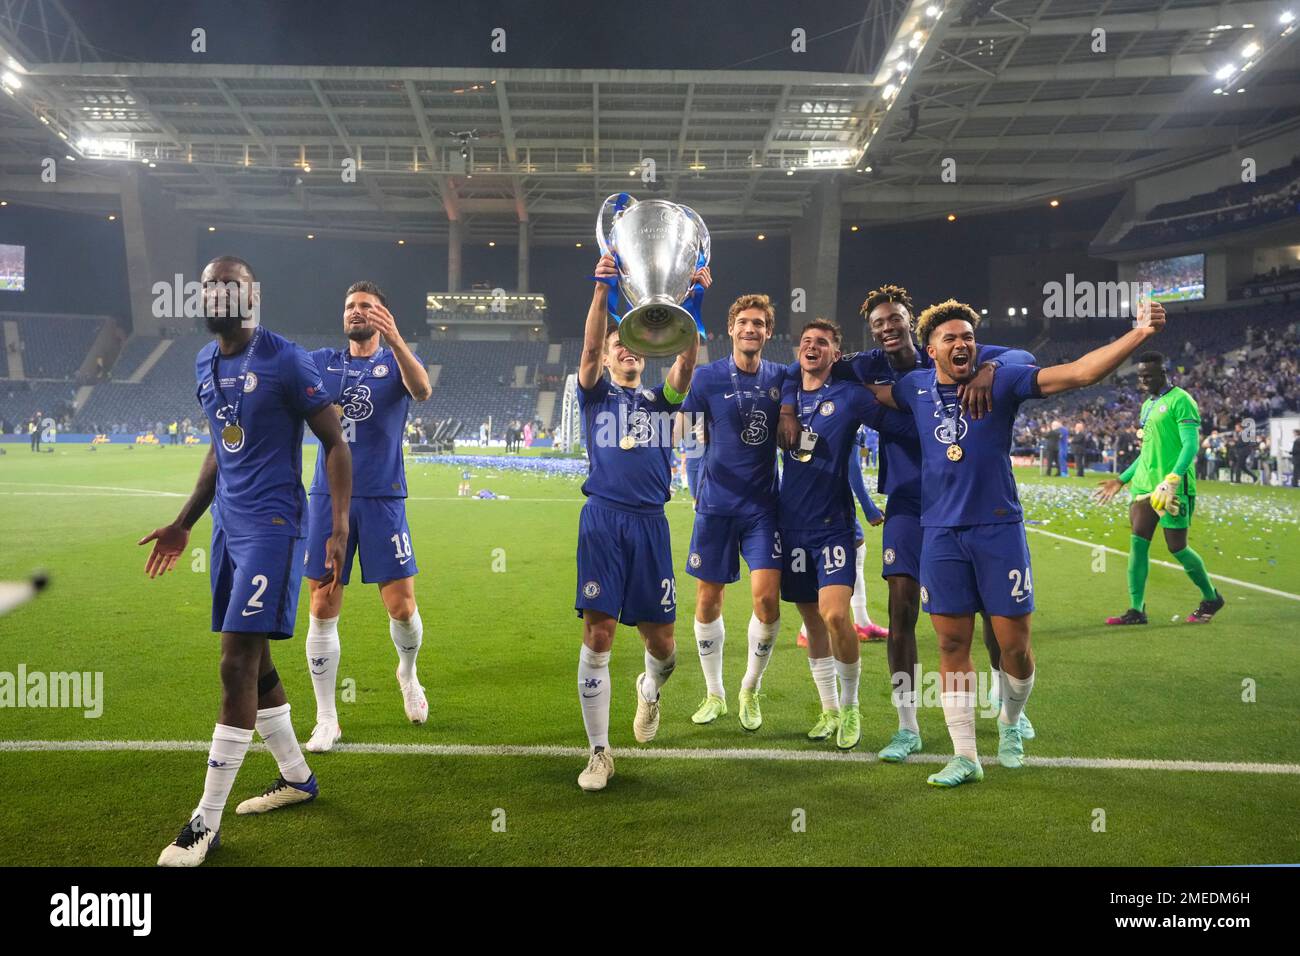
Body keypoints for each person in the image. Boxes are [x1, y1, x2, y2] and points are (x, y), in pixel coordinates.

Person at [870, 297, 1166, 787]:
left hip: (998, 529)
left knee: (1016, 647)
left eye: (968, 337)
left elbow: (1079, 373)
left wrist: (1139, 334)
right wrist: (798, 391)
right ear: (931, 350)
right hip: (939, 532)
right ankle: (965, 756)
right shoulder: (913, 387)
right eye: (950, 338)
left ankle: (1010, 719)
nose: (962, 344)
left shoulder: (1002, 380)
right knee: (950, 643)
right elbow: (863, 391)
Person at [140, 255, 352, 865]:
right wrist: (185, 522)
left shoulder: (287, 359)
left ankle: (204, 822)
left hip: (274, 528)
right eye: (208, 286)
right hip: (228, 531)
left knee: (235, 662)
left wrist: (338, 527)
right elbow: (219, 447)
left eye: (229, 285)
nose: (217, 294)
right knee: (256, 666)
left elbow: (335, 441)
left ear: (252, 295)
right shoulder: (204, 362)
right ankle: (297, 777)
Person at [778, 283, 1038, 763]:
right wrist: (789, 406)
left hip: (965, 503)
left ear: (910, 321)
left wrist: (990, 369)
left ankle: (1009, 708)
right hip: (906, 502)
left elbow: (1023, 356)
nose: (887, 328)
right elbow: (803, 366)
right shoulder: (865, 366)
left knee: (989, 612)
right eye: (878, 323)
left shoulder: (950, 350)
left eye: (894, 318)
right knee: (901, 610)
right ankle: (907, 725)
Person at [573, 254, 707, 791]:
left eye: (631, 346)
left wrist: (693, 304)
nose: (624, 352)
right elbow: (588, 348)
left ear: (643, 353)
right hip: (603, 521)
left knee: (664, 646)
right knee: (598, 633)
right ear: (609, 356)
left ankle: (649, 690)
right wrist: (600, 289)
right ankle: (599, 752)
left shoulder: (661, 400)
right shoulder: (594, 394)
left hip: (651, 525)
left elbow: (687, 365)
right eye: (616, 346)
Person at [301, 281, 434, 753]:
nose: (356, 312)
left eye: (367, 306)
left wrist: (396, 339)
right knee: (322, 604)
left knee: (401, 607)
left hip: (382, 497)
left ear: (383, 315)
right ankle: (327, 718)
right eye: (350, 306)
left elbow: (422, 390)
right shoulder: (320, 363)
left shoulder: (396, 362)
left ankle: (408, 674)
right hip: (327, 497)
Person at [779, 319, 914, 749]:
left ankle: (852, 707)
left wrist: (938, 416)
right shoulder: (782, 392)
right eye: (806, 341)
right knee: (812, 623)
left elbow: (899, 425)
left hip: (832, 526)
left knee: (836, 615)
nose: (812, 347)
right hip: (791, 526)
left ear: (836, 354)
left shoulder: (850, 396)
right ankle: (829, 709)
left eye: (822, 342)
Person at [679, 294, 786, 731]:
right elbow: (688, 435)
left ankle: (750, 688)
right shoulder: (706, 378)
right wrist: (695, 488)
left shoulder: (781, 377)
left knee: (767, 600)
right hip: (717, 506)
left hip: (762, 508)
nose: (750, 329)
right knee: (708, 600)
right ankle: (715, 693)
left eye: (758, 323)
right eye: (743, 321)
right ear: (731, 328)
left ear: (768, 332)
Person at [1096, 352, 1224, 626]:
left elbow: (1190, 445)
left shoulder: (1181, 400)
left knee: (1177, 547)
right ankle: (1136, 609)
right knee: (1137, 545)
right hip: (1143, 487)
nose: (1143, 381)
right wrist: (1121, 479)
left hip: (1172, 488)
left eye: (1149, 376)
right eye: (1140, 376)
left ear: (1163, 373)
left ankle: (1212, 597)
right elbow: (1147, 453)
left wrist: (1173, 479)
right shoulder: (1147, 406)